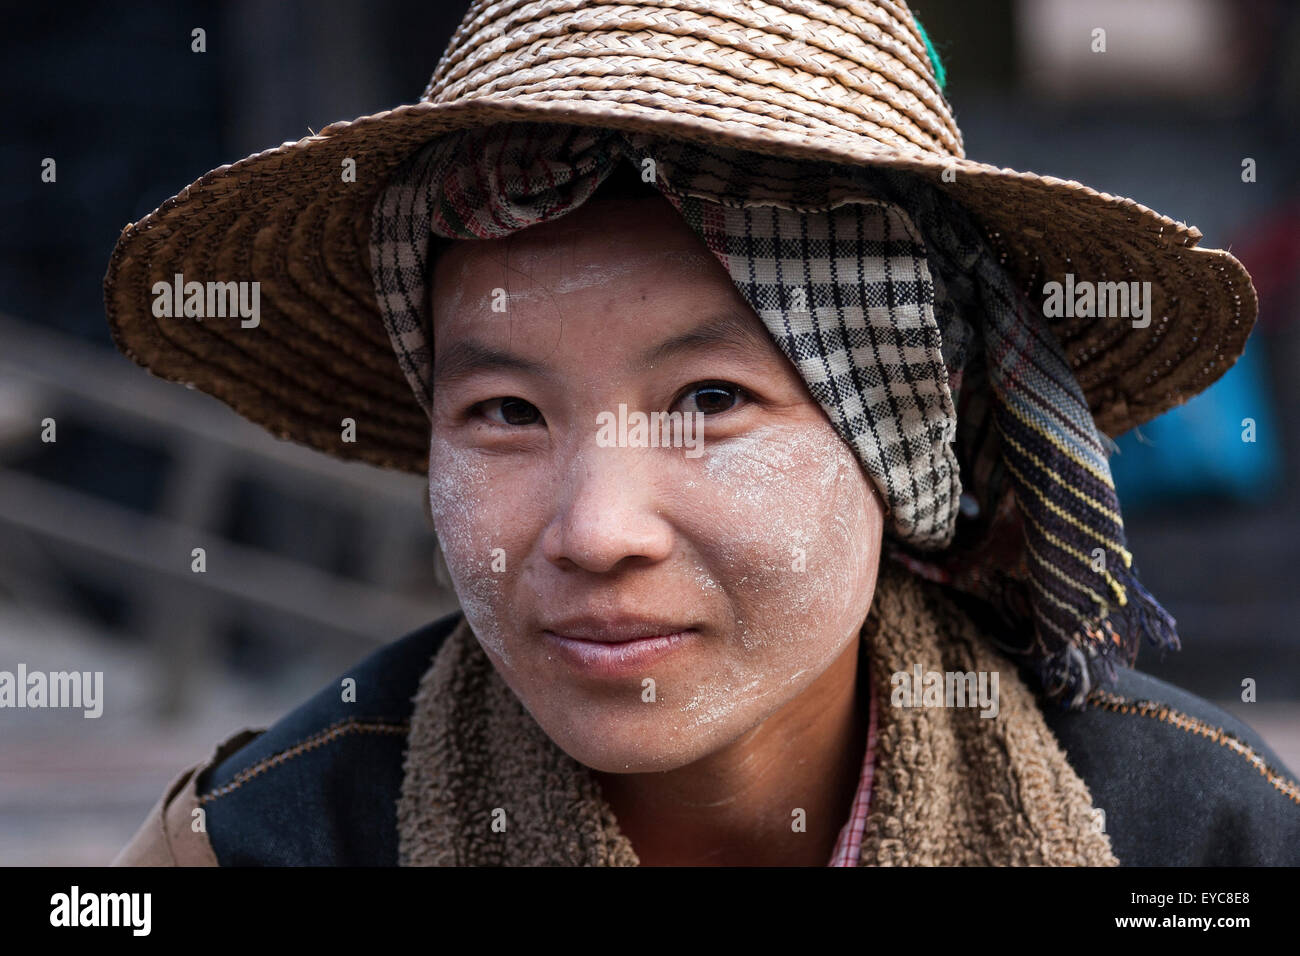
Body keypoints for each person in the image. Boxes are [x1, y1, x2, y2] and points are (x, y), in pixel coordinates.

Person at [105, 0, 1299, 866]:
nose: (596, 529)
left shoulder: (1191, 837)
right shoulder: (267, 841)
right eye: (506, 411)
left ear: (906, 437)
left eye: (710, 401)